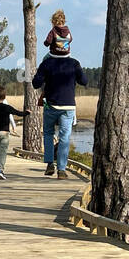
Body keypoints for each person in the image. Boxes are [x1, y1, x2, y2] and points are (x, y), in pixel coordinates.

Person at [32, 46, 87, 180]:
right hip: (68, 106)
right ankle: (61, 170)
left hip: (51, 105)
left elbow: (35, 83)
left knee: (48, 133)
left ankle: (50, 163)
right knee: (64, 137)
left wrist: (44, 75)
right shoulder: (74, 63)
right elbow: (84, 81)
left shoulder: (46, 63)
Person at [0, 83, 27, 180]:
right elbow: (17, 113)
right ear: (4, 96)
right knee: (3, 152)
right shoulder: (7, 107)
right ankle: (0, 170)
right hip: (5, 134)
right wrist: (26, 113)